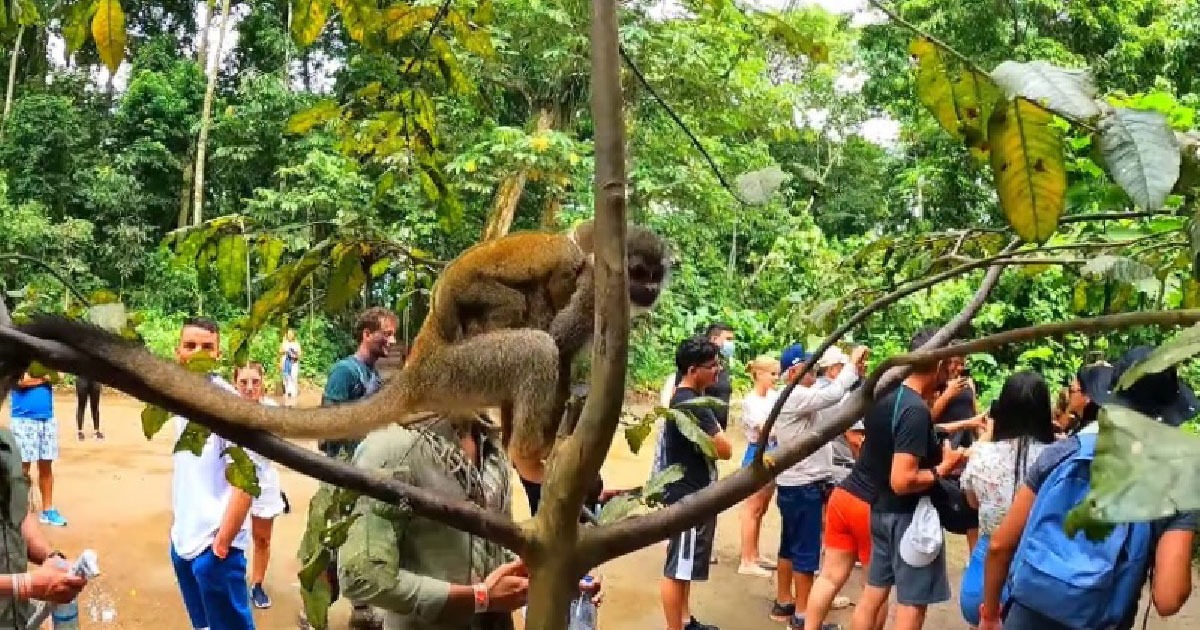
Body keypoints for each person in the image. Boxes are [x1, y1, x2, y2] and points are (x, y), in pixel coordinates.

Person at [979, 348, 1197, 630]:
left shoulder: (1064, 453)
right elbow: (1169, 598)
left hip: (1027, 614)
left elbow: (1000, 545)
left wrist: (990, 615)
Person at [339, 411, 603, 630]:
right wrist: (480, 598)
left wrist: (550, 575)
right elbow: (361, 576)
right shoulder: (392, 449)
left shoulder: (490, 440)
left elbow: (495, 550)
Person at [850, 327, 966, 630]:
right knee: (912, 604)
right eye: (950, 365)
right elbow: (902, 479)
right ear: (939, 365)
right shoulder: (915, 411)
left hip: (880, 510)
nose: (953, 372)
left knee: (873, 594)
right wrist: (944, 467)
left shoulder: (886, 396)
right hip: (908, 518)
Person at [168, 317, 266, 630]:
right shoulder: (177, 396)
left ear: (217, 354)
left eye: (206, 346)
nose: (197, 352)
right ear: (177, 352)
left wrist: (221, 544)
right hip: (184, 540)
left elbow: (246, 483)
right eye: (190, 345)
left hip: (215, 546)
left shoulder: (227, 406)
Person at [770, 346, 862, 630]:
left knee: (789, 547)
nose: (815, 370)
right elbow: (832, 394)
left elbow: (833, 402)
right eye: (809, 367)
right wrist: (853, 365)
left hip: (793, 484)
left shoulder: (798, 398)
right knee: (806, 553)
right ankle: (801, 616)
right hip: (803, 485)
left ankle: (785, 601)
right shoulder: (795, 395)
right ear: (794, 372)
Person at [957, 372, 1056, 628]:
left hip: (984, 573)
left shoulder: (981, 456)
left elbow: (972, 502)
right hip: (1039, 569)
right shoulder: (1059, 457)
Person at [658, 336, 734, 630]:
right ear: (692, 370)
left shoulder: (683, 399)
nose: (718, 370)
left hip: (688, 490)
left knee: (684, 564)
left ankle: (685, 620)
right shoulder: (693, 405)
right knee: (677, 567)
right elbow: (724, 449)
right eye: (712, 365)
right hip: (689, 496)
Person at [0, 421, 88, 626]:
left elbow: (20, 512)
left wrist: (51, 557)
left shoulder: (6, 442)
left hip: (18, 618)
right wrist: (24, 585)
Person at [232, 362, 288, 610]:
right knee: (230, 536)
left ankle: (257, 584)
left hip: (264, 484)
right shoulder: (224, 409)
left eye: (254, 382)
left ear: (262, 384)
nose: (249, 387)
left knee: (262, 539)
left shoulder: (271, 411)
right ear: (235, 384)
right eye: (243, 382)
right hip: (232, 484)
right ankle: (231, 583)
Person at [738, 355, 780, 576]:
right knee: (752, 508)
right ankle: (746, 559)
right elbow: (766, 428)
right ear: (759, 374)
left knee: (762, 508)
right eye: (772, 374)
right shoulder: (750, 401)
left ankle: (754, 553)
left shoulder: (774, 396)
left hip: (774, 451)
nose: (776, 378)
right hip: (758, 453)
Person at [9, 370, 67, 526]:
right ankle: (20, 512)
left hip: (47, 418)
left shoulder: (45, 360)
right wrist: (46, 377)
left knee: (46, 464)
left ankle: (48, 510)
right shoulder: (19, 360)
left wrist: (40, 378)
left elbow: (60, 376)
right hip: (23, 419)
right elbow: (20, 381)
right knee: (22, 468)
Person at [74, 375, 103, 440]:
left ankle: (96, 431)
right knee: (81, 405)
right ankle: (80, 432)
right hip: (82, 379)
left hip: (95, 379)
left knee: (95, 406)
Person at [279, 329, 303, 407]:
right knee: (286, 377)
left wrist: (294, 355)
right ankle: (287, 392)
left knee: (293, 377)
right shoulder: (284, 343)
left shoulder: (296, 344)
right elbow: (280, 352)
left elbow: (299, 354)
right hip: (285, 362)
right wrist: (285, 351)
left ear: (293, 335)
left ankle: (293, 393)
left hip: (293, 363)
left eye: (291, 334)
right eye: (288, 334)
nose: (289, 336)